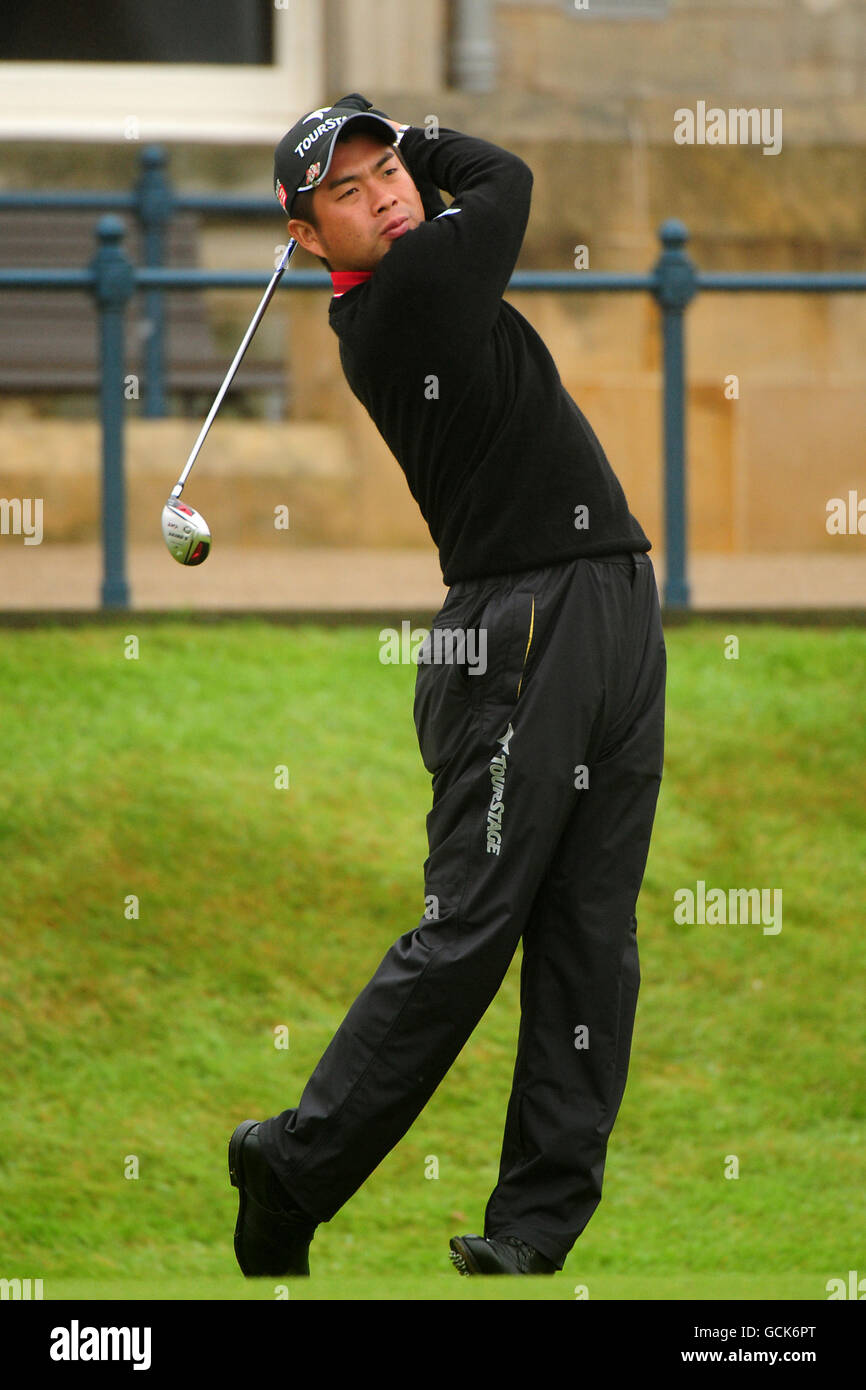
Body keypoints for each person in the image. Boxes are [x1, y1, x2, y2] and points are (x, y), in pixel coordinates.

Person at [229, 93, 666, 1279]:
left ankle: (531, 1226)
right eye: (348, 187)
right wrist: (422, 139)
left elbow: (484, 195)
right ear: (309, 240)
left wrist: (390, 156)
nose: (384, 191)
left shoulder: (418, 271)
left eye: (388, 169)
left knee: (590, 934)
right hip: (519, 633)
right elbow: (509, 180)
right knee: (470, 928)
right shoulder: (401, 300)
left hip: (609, 602)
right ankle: (291, 1163)